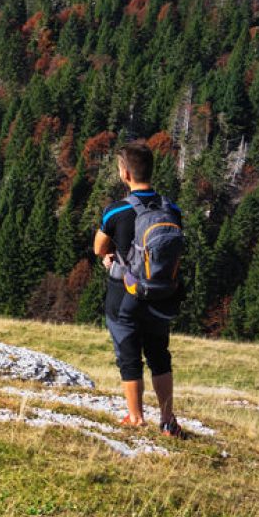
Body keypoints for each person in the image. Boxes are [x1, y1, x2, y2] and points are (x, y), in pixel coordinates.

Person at [92, 142, 187, 438]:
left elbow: (99, 248)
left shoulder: (116, 211)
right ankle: (168, 420)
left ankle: (136, 417)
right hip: (161, 293)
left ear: (125, 173)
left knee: (129, 355)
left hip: (126, 294)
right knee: (159, 354)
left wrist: (110, 257)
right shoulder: (171, 209)